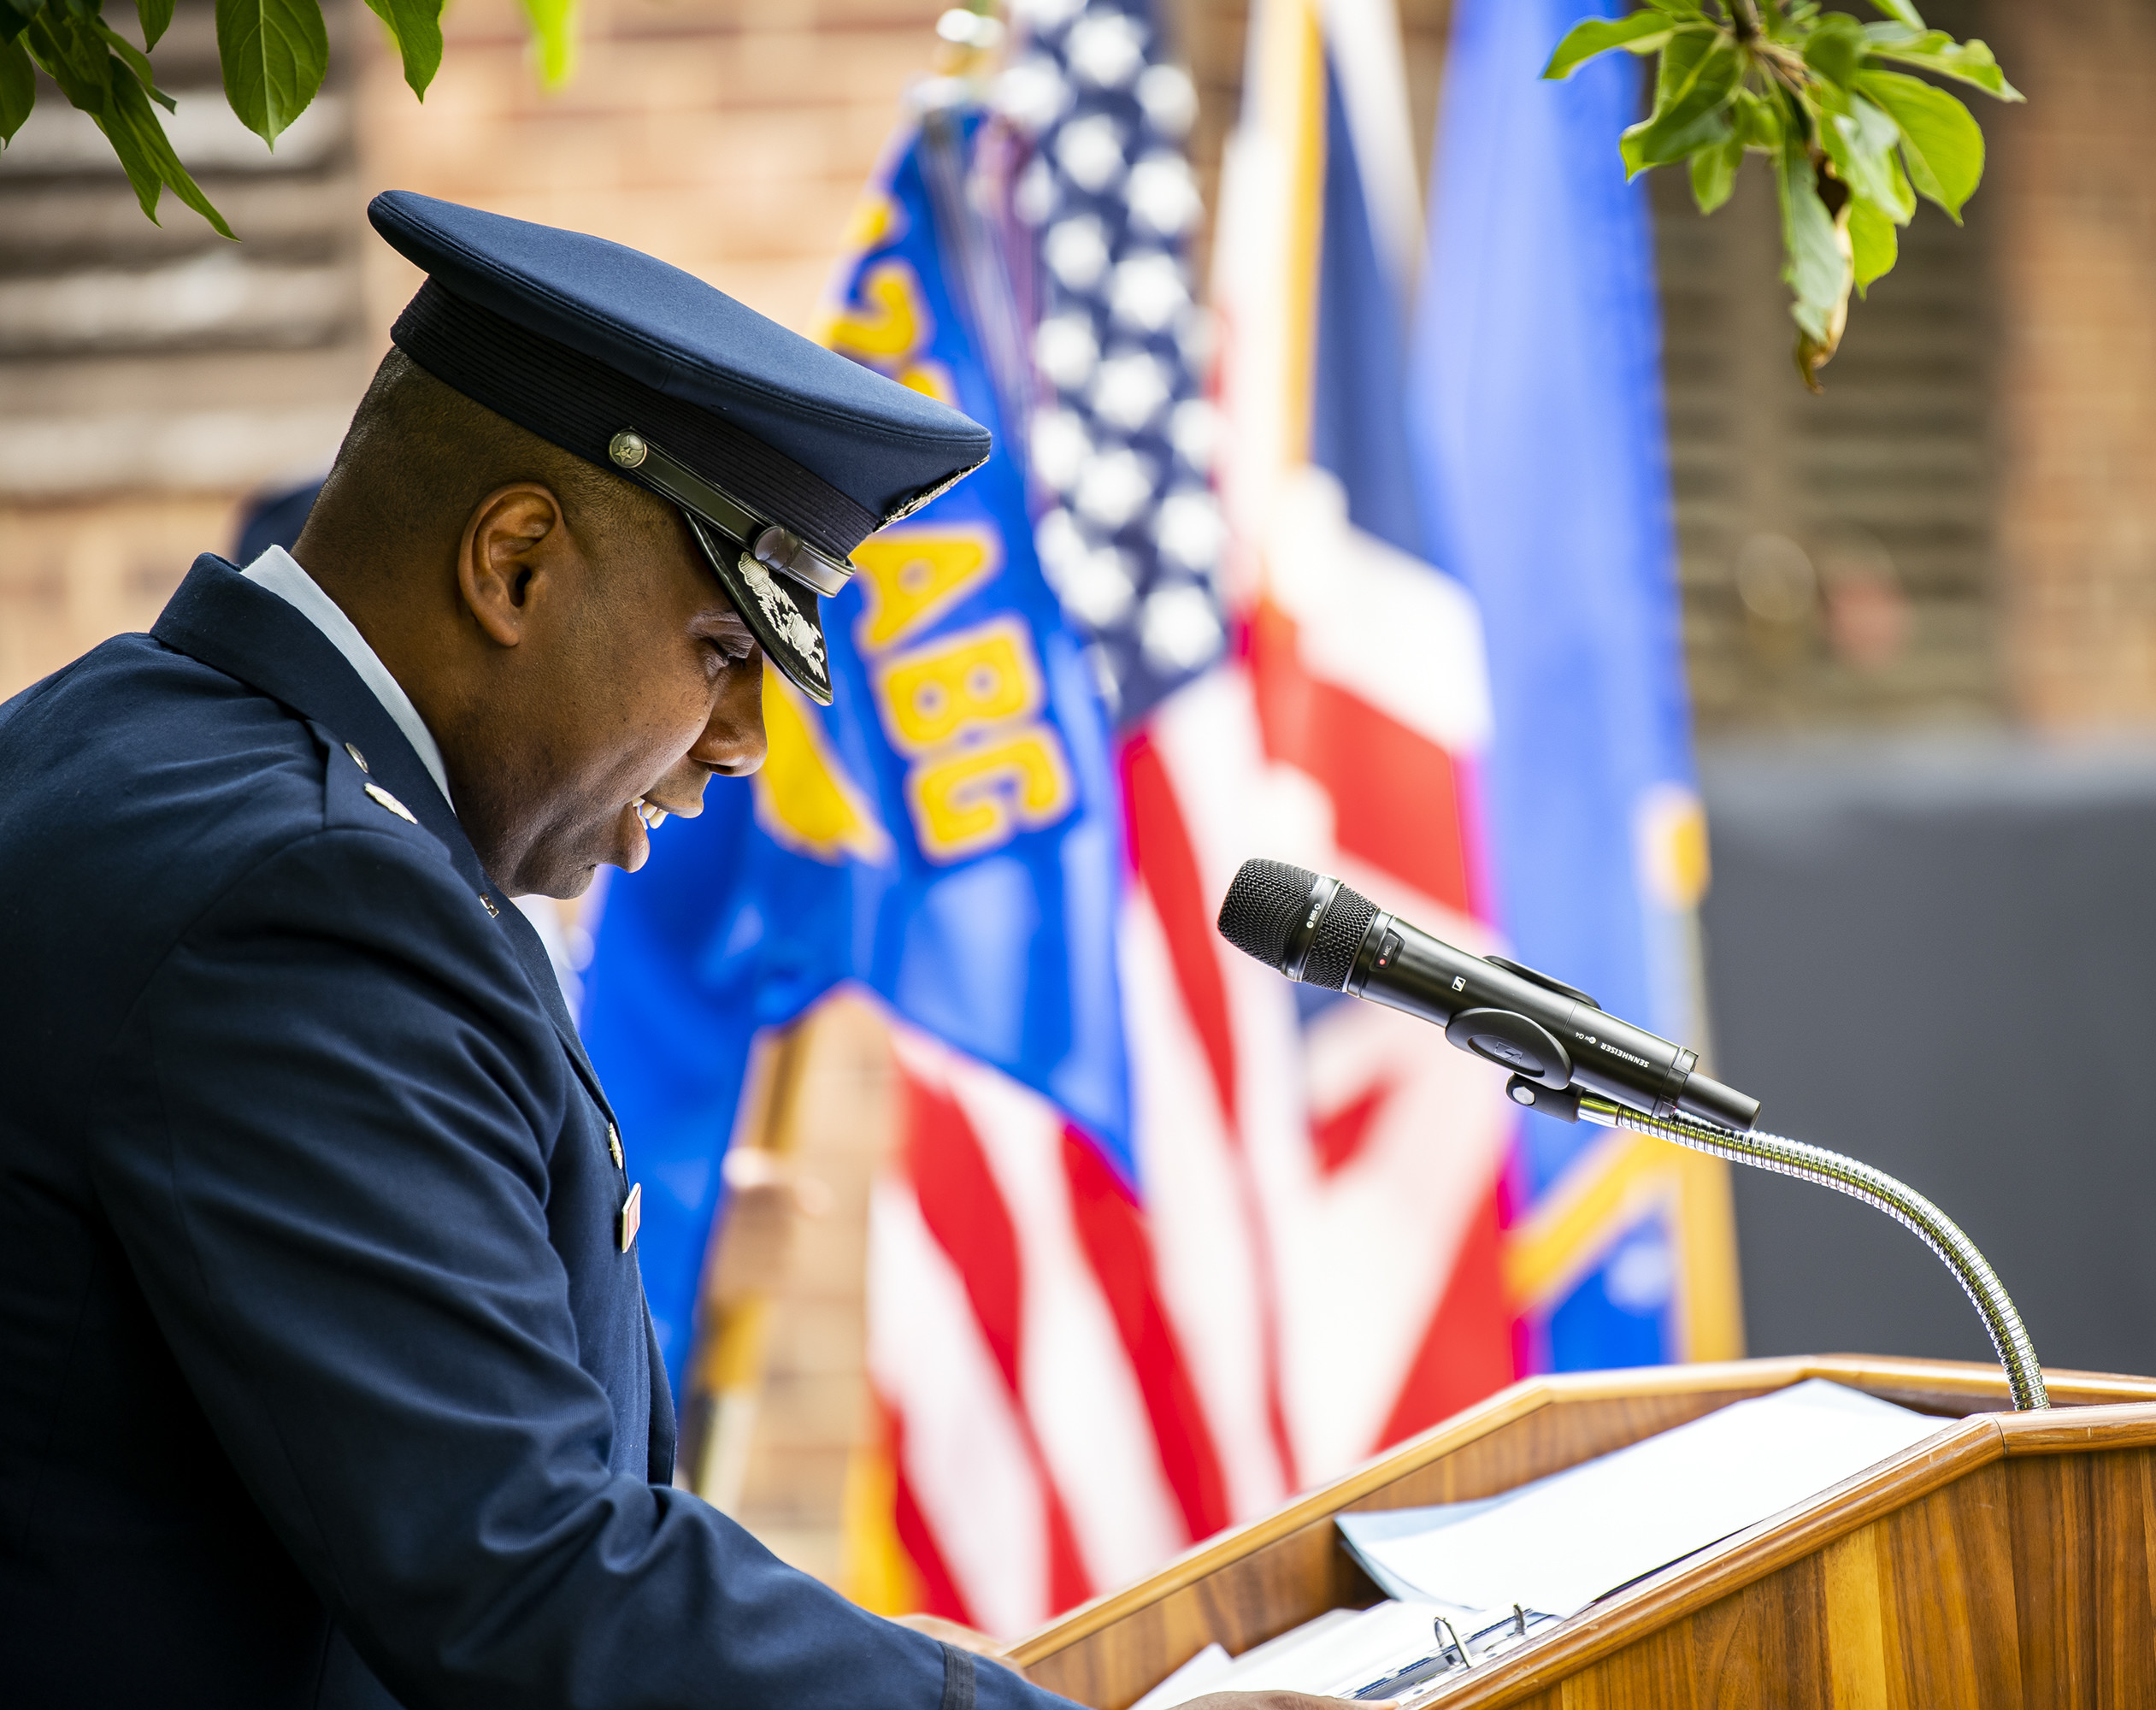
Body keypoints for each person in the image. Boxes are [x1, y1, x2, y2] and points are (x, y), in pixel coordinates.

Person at [0, 192, 1327, 1710]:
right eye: (722, 650)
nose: (749, 743)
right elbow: (528, 1572)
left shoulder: (125, 740)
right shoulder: (305, 897)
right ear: (514, 564)